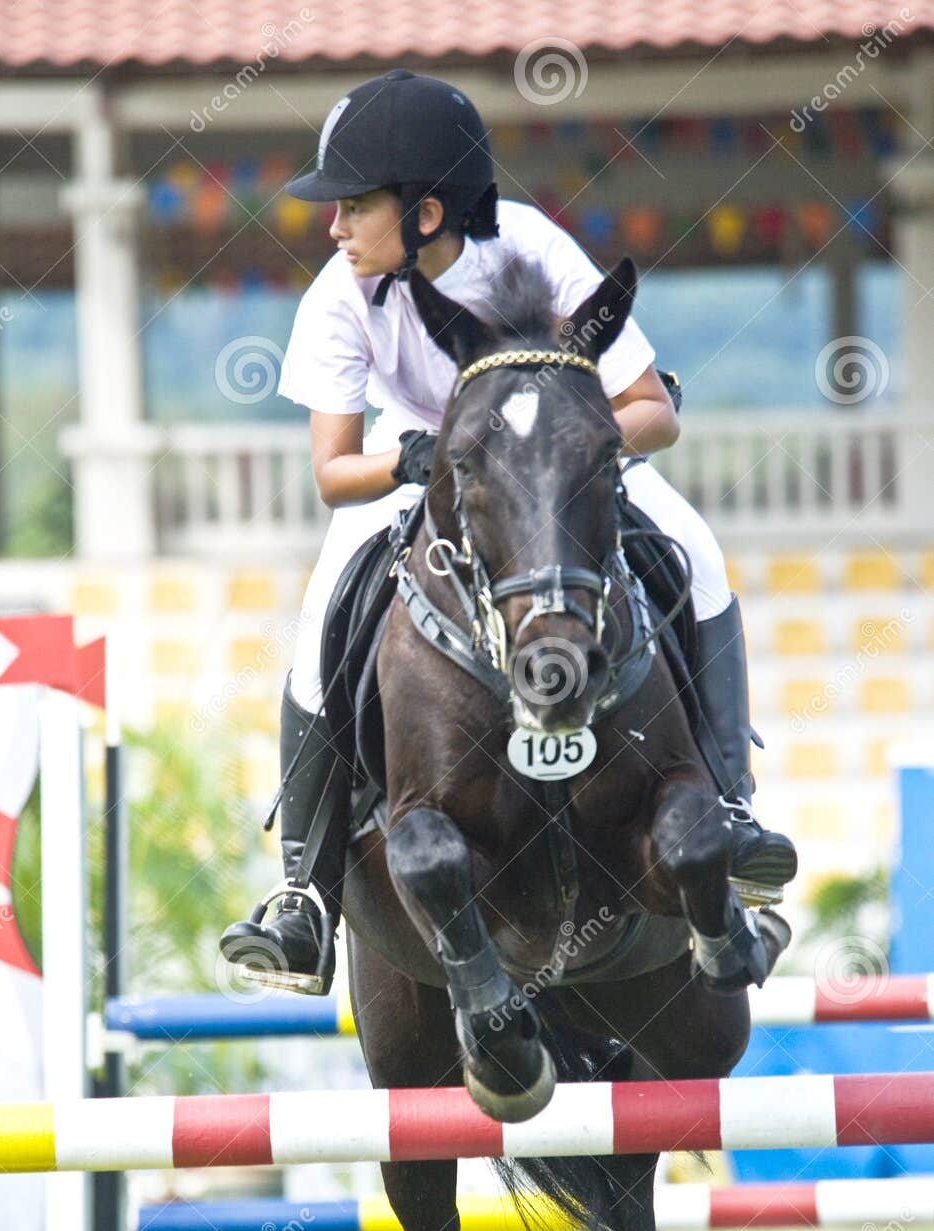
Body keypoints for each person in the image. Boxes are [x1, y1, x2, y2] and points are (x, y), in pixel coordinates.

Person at [220, 68, 796, 995]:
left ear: (426, 211)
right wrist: (418, 460)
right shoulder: (339, 294)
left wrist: (587, 445)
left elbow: (651, 411)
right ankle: (305, 893)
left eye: (353, 206)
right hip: (411, 472)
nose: (333, 227)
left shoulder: (531, 250)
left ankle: (728, 805)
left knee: (695, 551)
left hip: (555, 473)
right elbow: (332, 472)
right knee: (320, 611)